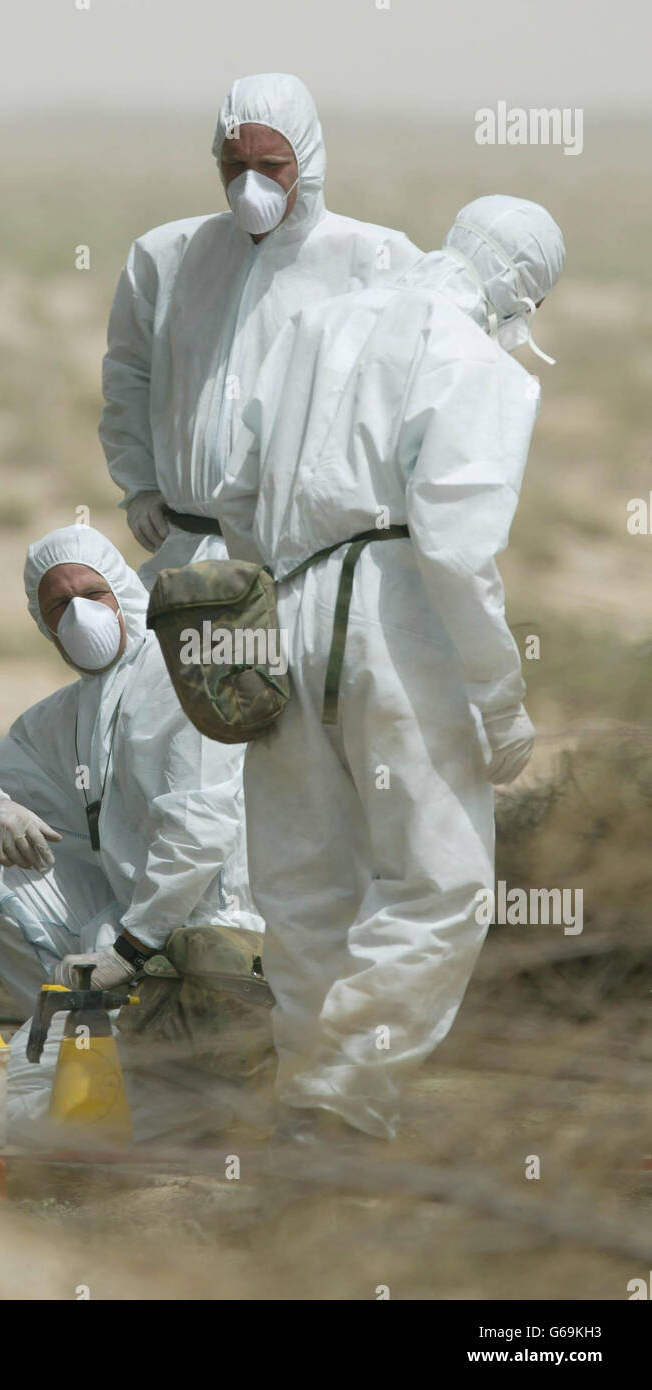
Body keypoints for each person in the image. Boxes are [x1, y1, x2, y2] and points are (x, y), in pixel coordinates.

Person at [215, 195, 565, 1146]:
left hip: (279, 607)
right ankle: (341, 1095)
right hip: (397, 611)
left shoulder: (309, 326)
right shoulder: (474, 359)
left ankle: (307, 1103)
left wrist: (291, 577)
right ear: (520, 290)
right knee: (440, 878)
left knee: (301, 878)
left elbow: (231, 489)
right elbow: (455, 551)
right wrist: (499, 701)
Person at [0, 524, 262, 1139]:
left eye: (93, 592)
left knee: (37, 1119)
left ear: (125, 594)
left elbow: (202, 831)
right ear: (44, 625)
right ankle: (79, 1034)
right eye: (59, 604)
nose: (80, 612)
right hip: (130, 933)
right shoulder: (68, 715)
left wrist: (130, 948)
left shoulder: (178, 678)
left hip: (214, 933)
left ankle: (172, 1084)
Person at [99, 72, 421, 586]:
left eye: (271, 166)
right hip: (185, 557)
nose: (251, 184)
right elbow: (128, 377)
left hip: (309, 566)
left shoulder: (376, 261)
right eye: (235, 165)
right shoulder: (169, 257)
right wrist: (139, 486)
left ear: (309, 162)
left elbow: (415, 405)